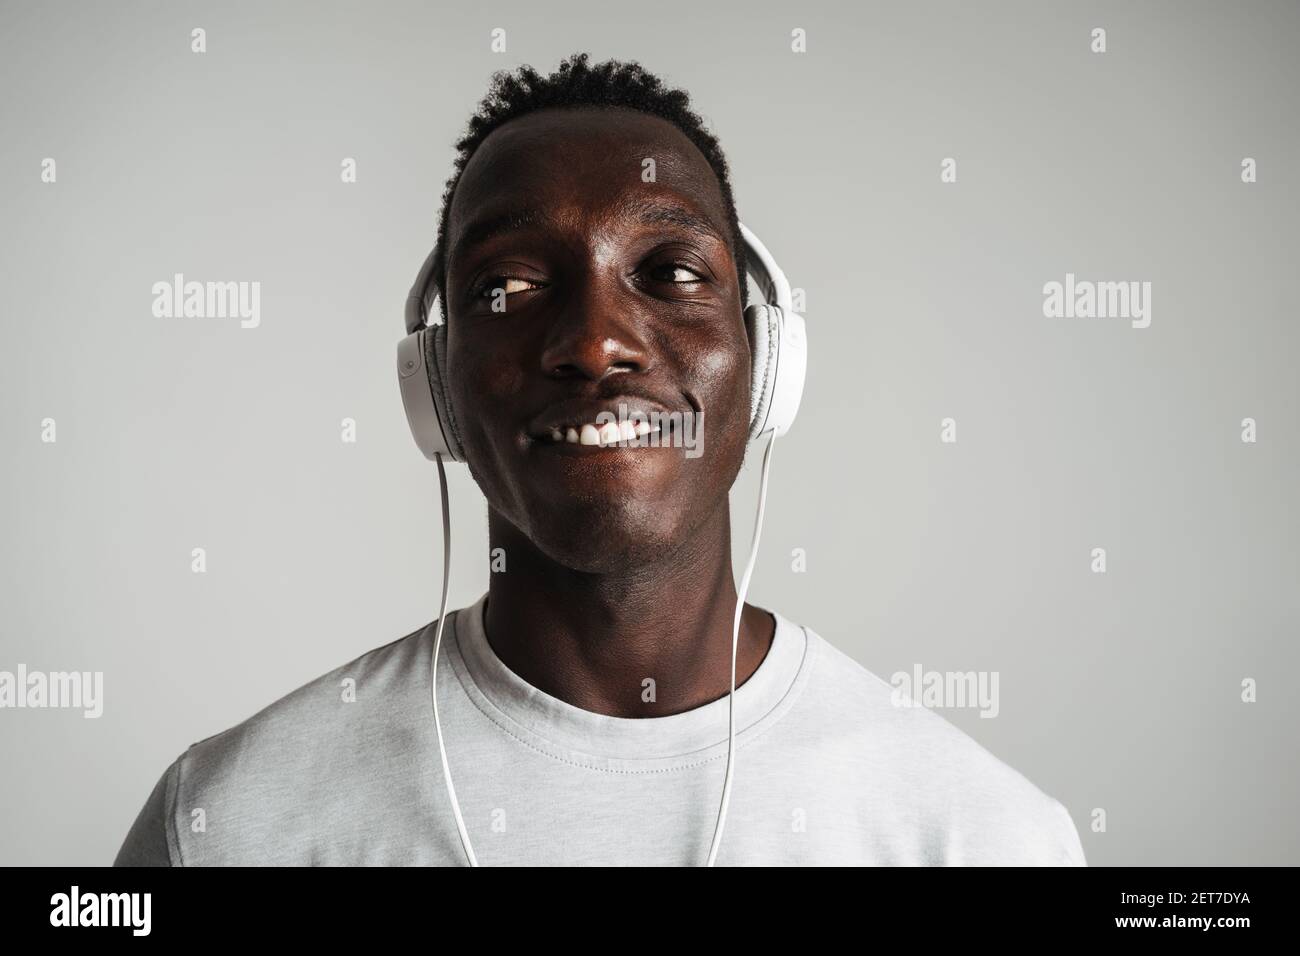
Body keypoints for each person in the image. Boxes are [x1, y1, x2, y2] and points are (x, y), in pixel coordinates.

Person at [114, 53, 1086, 866]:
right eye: (508, 285)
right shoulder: (226, 821)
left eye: (669, 273)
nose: (594, 340)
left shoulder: (983, 836)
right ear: (437, 381)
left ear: (766, 360)